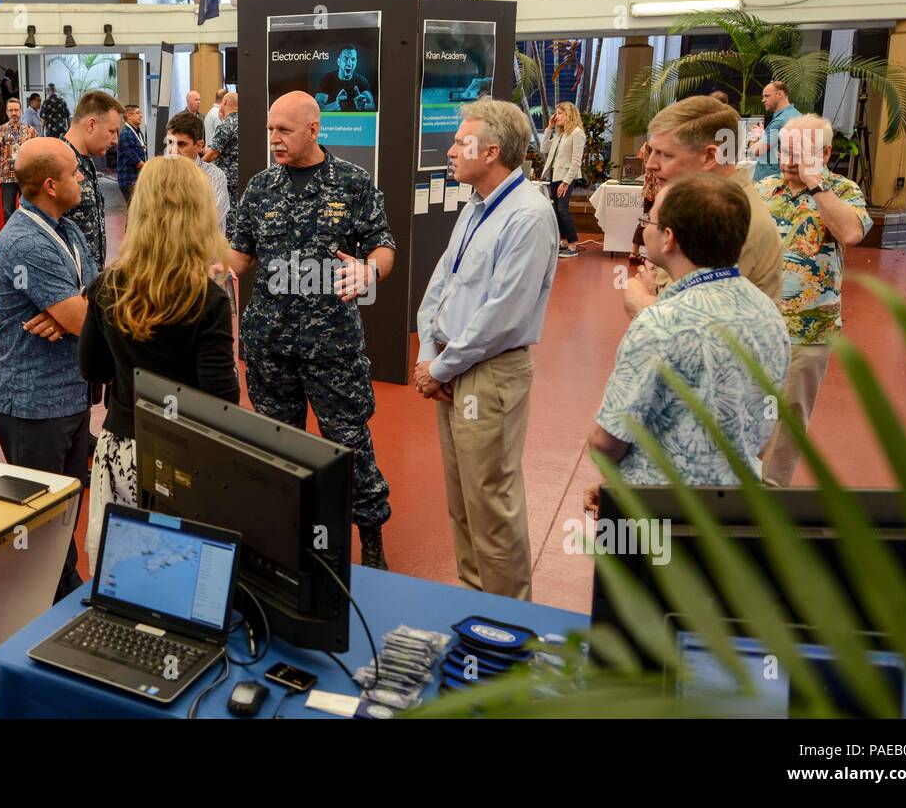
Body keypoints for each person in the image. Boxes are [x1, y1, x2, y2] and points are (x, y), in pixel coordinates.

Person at [228, 91, 397, 568]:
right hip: (269, 347)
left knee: (349, 442)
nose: (274, 139)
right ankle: (289, 540)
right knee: (279, 447)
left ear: (312, 130)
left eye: (283, 130)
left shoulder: (352, 183)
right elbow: (238, 258)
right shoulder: (260, 188)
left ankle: (372, 538)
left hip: (332, 347)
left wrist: (370, 272)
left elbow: (383, 245)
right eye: (269, 130)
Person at [415, 98, 558, 600]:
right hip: (454, 366)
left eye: (461, 142)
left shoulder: (529, 217)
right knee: (462, 502)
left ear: (492, 150)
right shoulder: (477, 206)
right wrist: (427, 356)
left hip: (489, 373)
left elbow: (503, 316)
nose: (450, 150)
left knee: (491, 506)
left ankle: (510, 623)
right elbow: (442, 284)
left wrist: (443, 366)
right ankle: (474, 604)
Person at [78, 155, 240, 568]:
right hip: (182, 455)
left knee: (121, 569)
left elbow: (92, 370)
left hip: (121, 448)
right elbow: (220, 400)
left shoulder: (107, 285)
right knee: (177, 570)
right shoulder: (208, 299)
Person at [587, 173, 789, 501]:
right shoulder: (768, 315)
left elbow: (605, 442)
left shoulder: (659, 324)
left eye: (648, 221)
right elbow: (759, 425)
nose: (646, 228)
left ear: (668, 239)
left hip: (658, 510)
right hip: (738, 505)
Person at [0, 137, 98, 602]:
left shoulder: (66, 231)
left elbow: (97, 296)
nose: (84, 182)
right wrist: (74, 315)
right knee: (45, 523)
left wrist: (75, 313)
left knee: (65, 513)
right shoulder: (27, 242)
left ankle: (64, 595)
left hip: (67, 396)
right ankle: (55, 612)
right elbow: (89, 320)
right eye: (75, 174)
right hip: (32, 405)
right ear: (50, 185)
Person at [758, 114, 872, 487]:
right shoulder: (762, 190)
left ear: (824, 152)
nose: (790, 158)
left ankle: (768, 504)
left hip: (808, 329)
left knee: (787, 418)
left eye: (801, 151)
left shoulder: (843, 190)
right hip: (754, 325)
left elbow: (851, 233)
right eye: (786, 149)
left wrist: (816, 185)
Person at [624, 96, 783, 319]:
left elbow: (699, 321)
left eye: (665, 154)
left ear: (710, 156)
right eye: (652, 151)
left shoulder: (735, 222)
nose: (650, 165)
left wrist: (642, 304)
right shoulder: (703, 206)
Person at [61, 90, 122, 272]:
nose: (115, 140)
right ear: (92, 125)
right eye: (112, 131)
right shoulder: (59, 163)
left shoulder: (87, 161)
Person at [165, 111, 229, 232]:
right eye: (170, 143)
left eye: (181, 144)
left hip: (205, 249)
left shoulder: (214, 177)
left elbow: (207, 223)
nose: (174, 150)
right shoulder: (160, 175)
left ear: (199, 145)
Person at [538, 101, 586, 258]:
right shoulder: (560, 134)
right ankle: (564, 242)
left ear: (569, 115)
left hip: (566, 176)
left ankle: (572, 245)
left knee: (563, 209)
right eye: (556, 113)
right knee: (557, 210)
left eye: (559, 113)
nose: (556, 116)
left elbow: (576, 161)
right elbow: (543, 149)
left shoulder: (577, 133)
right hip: (555, 175)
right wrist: (549, 128)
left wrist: (566, 182)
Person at [0, 97, 37, 220]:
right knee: (8, 211)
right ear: (6, 112)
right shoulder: (0, 130)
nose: (13, 113)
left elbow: (37, 151)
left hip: (25, 176)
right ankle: (10, 238)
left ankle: (28, 237)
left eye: (16, 110)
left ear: (21, 110)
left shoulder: (30, 130)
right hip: (6, 177)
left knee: (28, 211)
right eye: (11, 110)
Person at [750, 80, 801, 183]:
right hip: (783, 177)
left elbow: (757, 151)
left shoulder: (780, 121)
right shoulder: (796, 114)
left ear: (780, 94)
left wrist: (753, 139)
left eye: (767, 96)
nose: (763, 100)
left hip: (769, 181)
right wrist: (764, 134)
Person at [204, 90, 239, 225]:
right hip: (241, 176)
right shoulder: (247, 122)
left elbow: (214, 153)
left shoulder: (226, 124)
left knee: (227, 214)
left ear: (224, 102)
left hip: (227, 178)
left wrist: (198, 166)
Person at [315, 45, 375, 112]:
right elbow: (317, 106)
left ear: (356, 62)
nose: (349, 63)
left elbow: (372, 106)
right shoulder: (327, 79)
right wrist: (335, 105)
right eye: (346, 59)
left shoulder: (362, 81)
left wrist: (364, 106)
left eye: (352, 59)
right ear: (338, 62)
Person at [628, 141, 656, 268]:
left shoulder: (647, 144)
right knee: (657, 222)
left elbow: (640, 157)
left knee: (644, 220)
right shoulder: (665, 144)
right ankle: (652, 257)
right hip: (661, 188)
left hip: (648, 189)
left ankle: (634, 252)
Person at [116, 103, 146, 206]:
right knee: (133, 211)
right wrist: (151, 167)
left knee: (137, 212)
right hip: (129, 180)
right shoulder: (126, 134)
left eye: (140, 113)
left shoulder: (138, 133)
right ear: (129, 115)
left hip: (137, 178)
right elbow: (135, 161)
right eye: (138, 113)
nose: (141, 115)